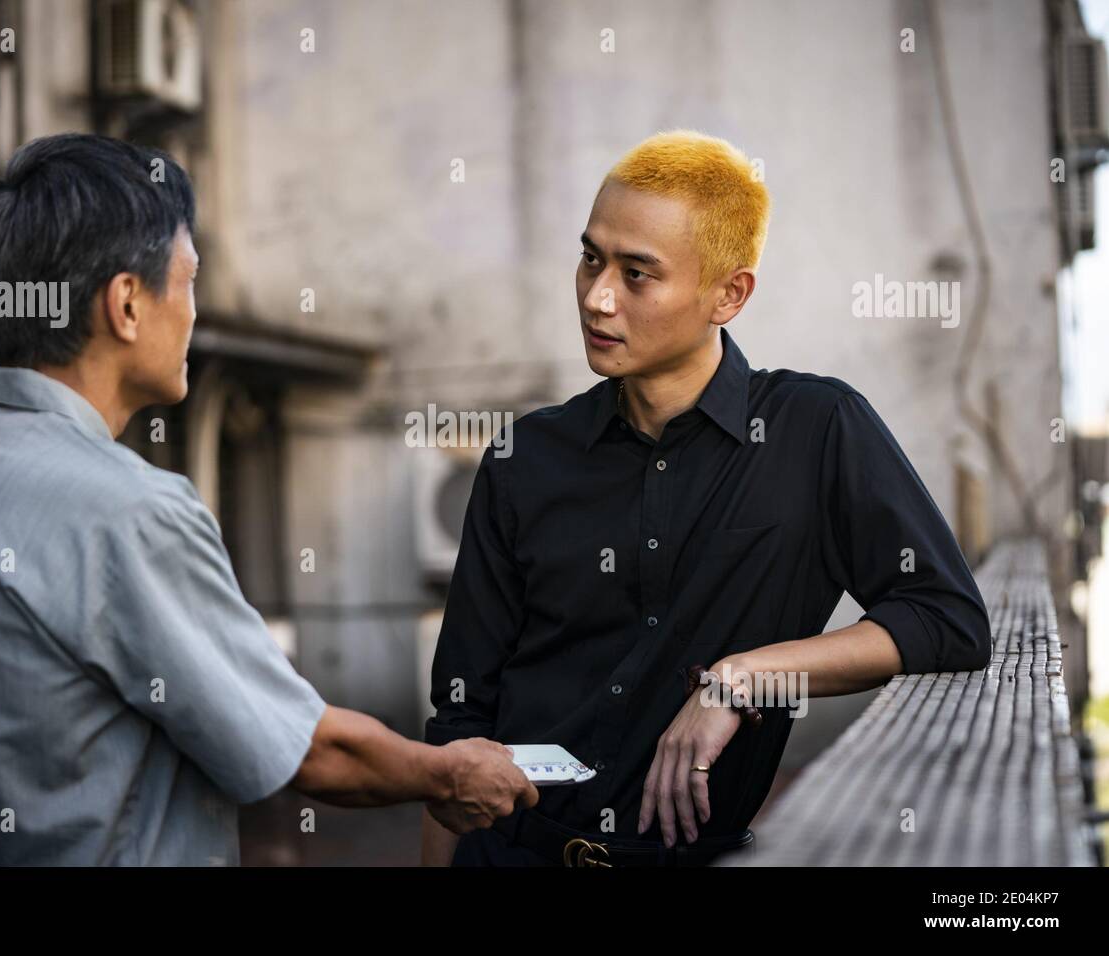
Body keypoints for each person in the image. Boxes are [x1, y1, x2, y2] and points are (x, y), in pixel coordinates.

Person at [0, 134, 537, 865]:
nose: (194, 313)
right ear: (127, 304)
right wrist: (447, 771)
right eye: (188, 281)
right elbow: (312, 752)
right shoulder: (129, 509)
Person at [421, 129, 991, 867]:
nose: (597, 297)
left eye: (637, 274)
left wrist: (744, 677)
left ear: (729, 293)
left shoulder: (814, 431)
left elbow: (946, 619)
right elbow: (461, 725)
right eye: (592, 257)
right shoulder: (522, 457)